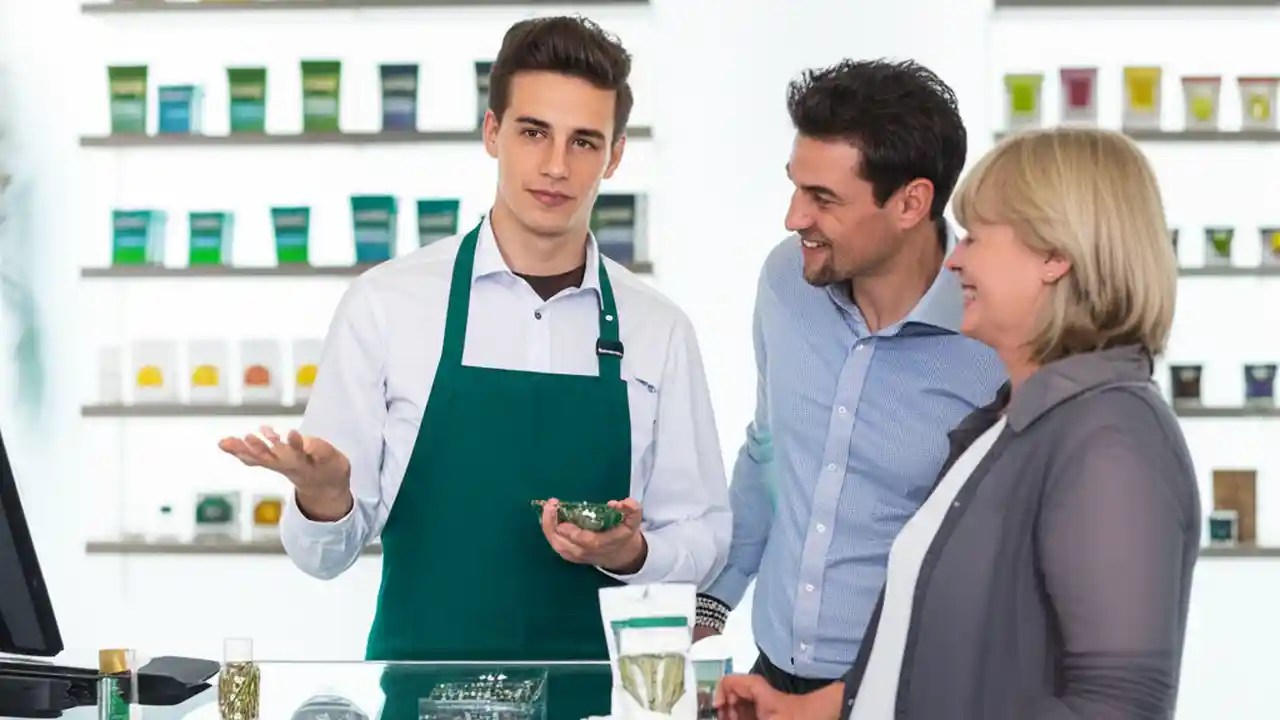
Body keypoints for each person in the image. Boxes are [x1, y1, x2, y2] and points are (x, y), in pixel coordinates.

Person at [217, 15, 731, 720]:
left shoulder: (659, 331)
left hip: (598, 706)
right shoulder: (387, 306)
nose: (555, 166)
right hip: (419, 701)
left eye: (584, 142)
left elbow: (702, 536)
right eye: (533, 132)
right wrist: (325, 497)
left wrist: (631, 550)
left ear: (613, 157)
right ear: (492, 132)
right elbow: (321, 557)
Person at [715, 127, 1201, 720]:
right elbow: (937, 664)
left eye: (975, 236)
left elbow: (1118, 704)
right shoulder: (1004, 425)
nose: (956, 259)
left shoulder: (1112, 440)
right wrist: (803, 710)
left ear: (1055, 256)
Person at [694, 59, 1006, 693]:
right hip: (771, 677)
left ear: (911, 203)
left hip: (908, 692)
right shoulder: (787, 280)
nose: (793, 218)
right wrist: (713, 600)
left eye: (823, 199)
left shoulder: (995, 337)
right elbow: (768, 448)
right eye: (795, 186)